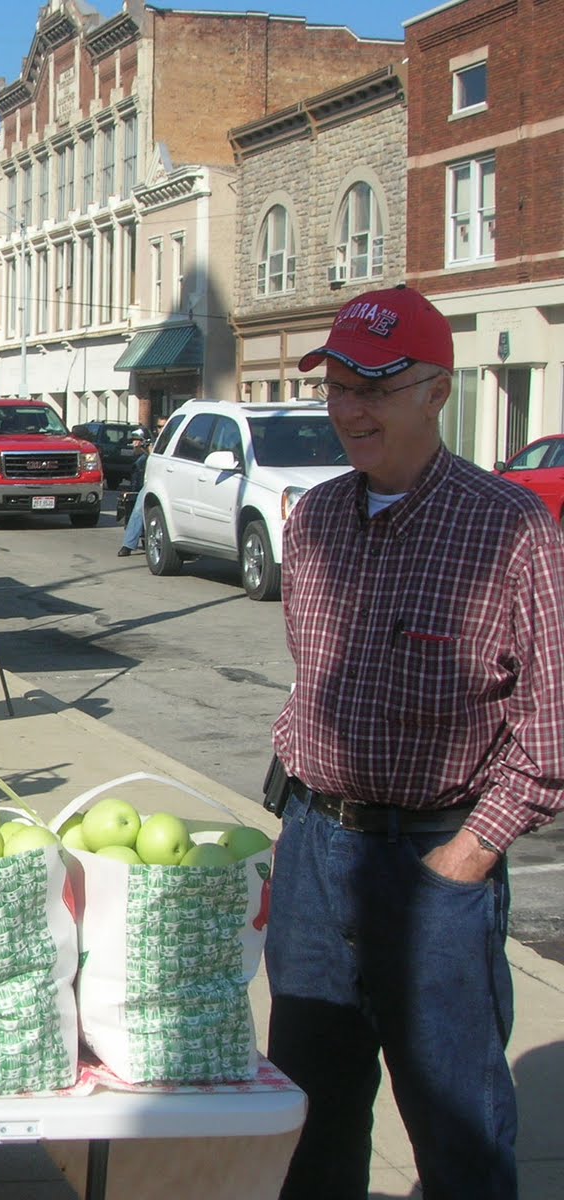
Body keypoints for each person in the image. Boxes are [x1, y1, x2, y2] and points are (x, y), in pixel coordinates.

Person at [265, 285, 564, 1200]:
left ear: (437, 392)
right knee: (309, 1125)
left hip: (435, 861)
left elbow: (551, 736)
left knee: (457, 1130)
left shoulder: (511, 530)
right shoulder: (312, 520)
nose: (350, 409)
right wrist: (290, 844)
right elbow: (311, 690)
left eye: (377, 388)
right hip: (316, 851)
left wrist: (466, 861)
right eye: (339, 386)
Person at [116, 441, 150, 557]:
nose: (160, 429)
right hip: (154, 483)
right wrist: (142, 447)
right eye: (159, 427)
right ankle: (128, 544)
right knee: (139, 509)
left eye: (162, 426)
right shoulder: (158, 439)